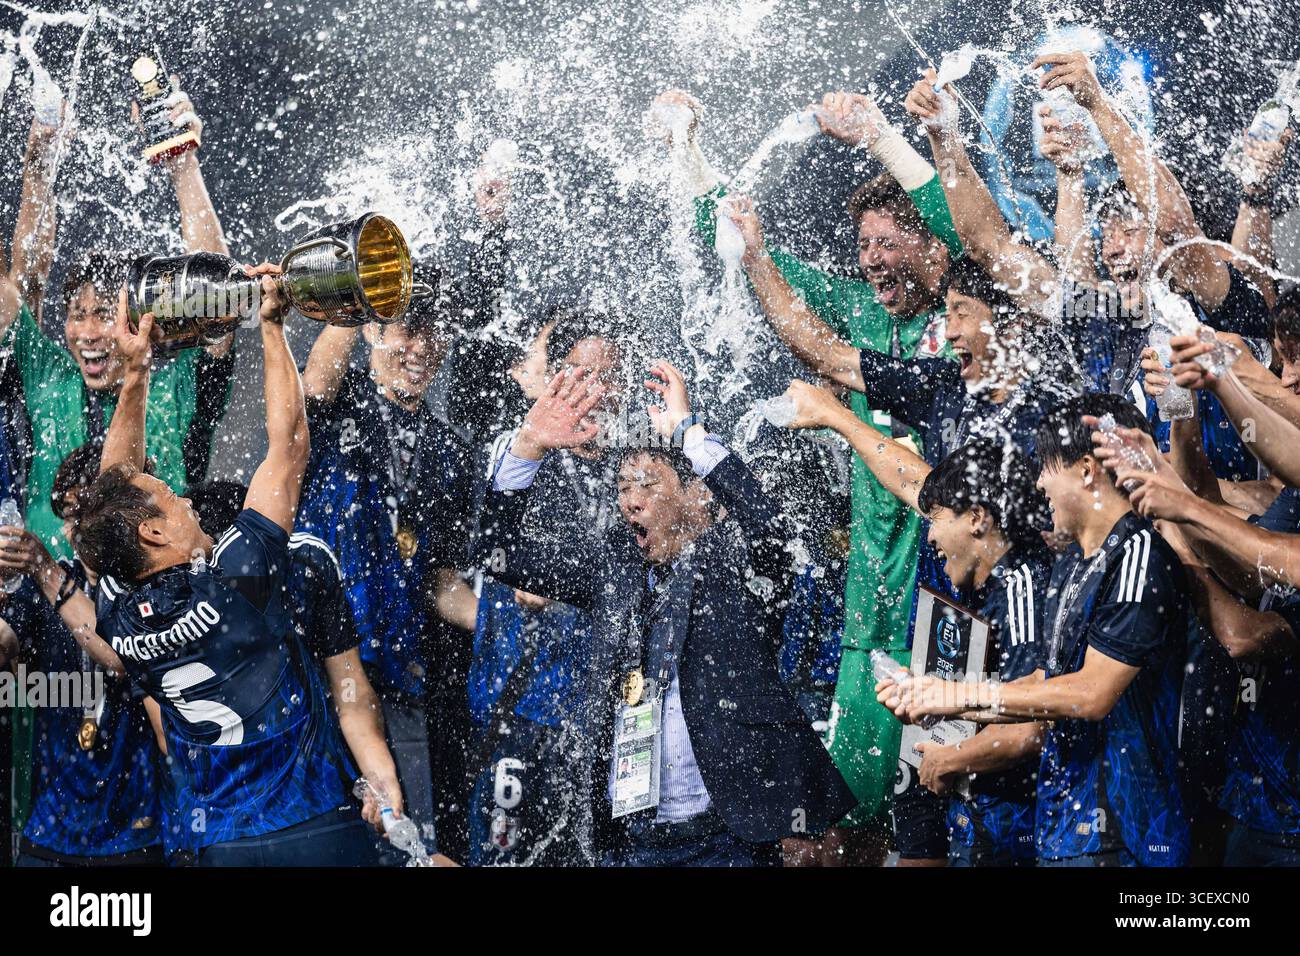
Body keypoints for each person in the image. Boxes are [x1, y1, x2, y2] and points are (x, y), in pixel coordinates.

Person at [655, 87, 962, 859]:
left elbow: (966, 224)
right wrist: (685, 146)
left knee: (947, 817)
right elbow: (731, 234)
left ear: (931, 246)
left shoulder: (967, 318)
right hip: (871, 617)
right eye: (864, 247)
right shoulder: (858, 311)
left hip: (954, 607)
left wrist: (887, 137)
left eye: (889, 243)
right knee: (847, 834)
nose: (872, 262)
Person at [66, 275, 404, 865]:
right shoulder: (240, 577)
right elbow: (290, 443)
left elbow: (108, 496)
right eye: (170, 496)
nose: (187, 500)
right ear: (153, 532)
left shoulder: (116, 611)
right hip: (312, 827)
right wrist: (271, 328)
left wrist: (137, 372)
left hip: (218, 846)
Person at [472, 359, 855, 865]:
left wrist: (687, 434)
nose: (630, 500)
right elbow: (501, 555)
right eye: (624, 486)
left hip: (730, 837)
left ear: (697, 495)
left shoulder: (735, 564)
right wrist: (529, 445)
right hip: (633, 842)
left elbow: (770, 529)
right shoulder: (613, 567)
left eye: (648, 485)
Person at [880, 393, 1192, 866]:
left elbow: (1091, 693)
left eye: (1048, 466)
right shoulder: (1070, 566)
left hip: (1130, 837)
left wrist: (958, 700)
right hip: (1063, 833)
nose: (1041, 483)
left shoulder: (1137, 555)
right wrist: (942, 696)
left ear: (1087, 469)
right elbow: (1046, 683)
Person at [781, 381, 1052, 865]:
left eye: (936, 518)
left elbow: (1034, 727)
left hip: (1017, 825)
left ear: (976, 519)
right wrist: (932, 696)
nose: (927, 534)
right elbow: (903, 480)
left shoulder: (1022, 587)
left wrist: (954, 757)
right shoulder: (979, 586)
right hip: (969, 810)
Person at [0, 80, 238, 560]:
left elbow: (221, 297)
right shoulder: (48, 378)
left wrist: (183, 164)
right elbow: (21, 283)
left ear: (138, 318)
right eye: (77, 315)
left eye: (105, 315)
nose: (87, 333)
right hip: (53, 607)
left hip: (155, 606)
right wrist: (41, 153)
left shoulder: (175, 383)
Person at [1091, 398, 1300, 866]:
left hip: (1289, 820)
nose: (1286, 382)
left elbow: (1242, 634)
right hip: (1246, 795)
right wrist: (1180, 406)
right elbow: (1242, 556)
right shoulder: (1294, 501)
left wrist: (1177, 530)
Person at [466, 308, 629, 866]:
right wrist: (534, 444)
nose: (596, 390)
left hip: (600, 710)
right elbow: (490, 548)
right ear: (555, 376)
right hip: (518, 706)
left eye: (608, 376)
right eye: (581, 374)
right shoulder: (514, 447)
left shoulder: (638, 466)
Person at [0, 444, 161, 867]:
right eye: (68, 519)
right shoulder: (43, 588)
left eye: (84, 515)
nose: (74, 532)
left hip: (136, 828)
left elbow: (118, 654)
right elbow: (5, 650)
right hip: (53, 825)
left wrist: (43, 569)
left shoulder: (151, 589)